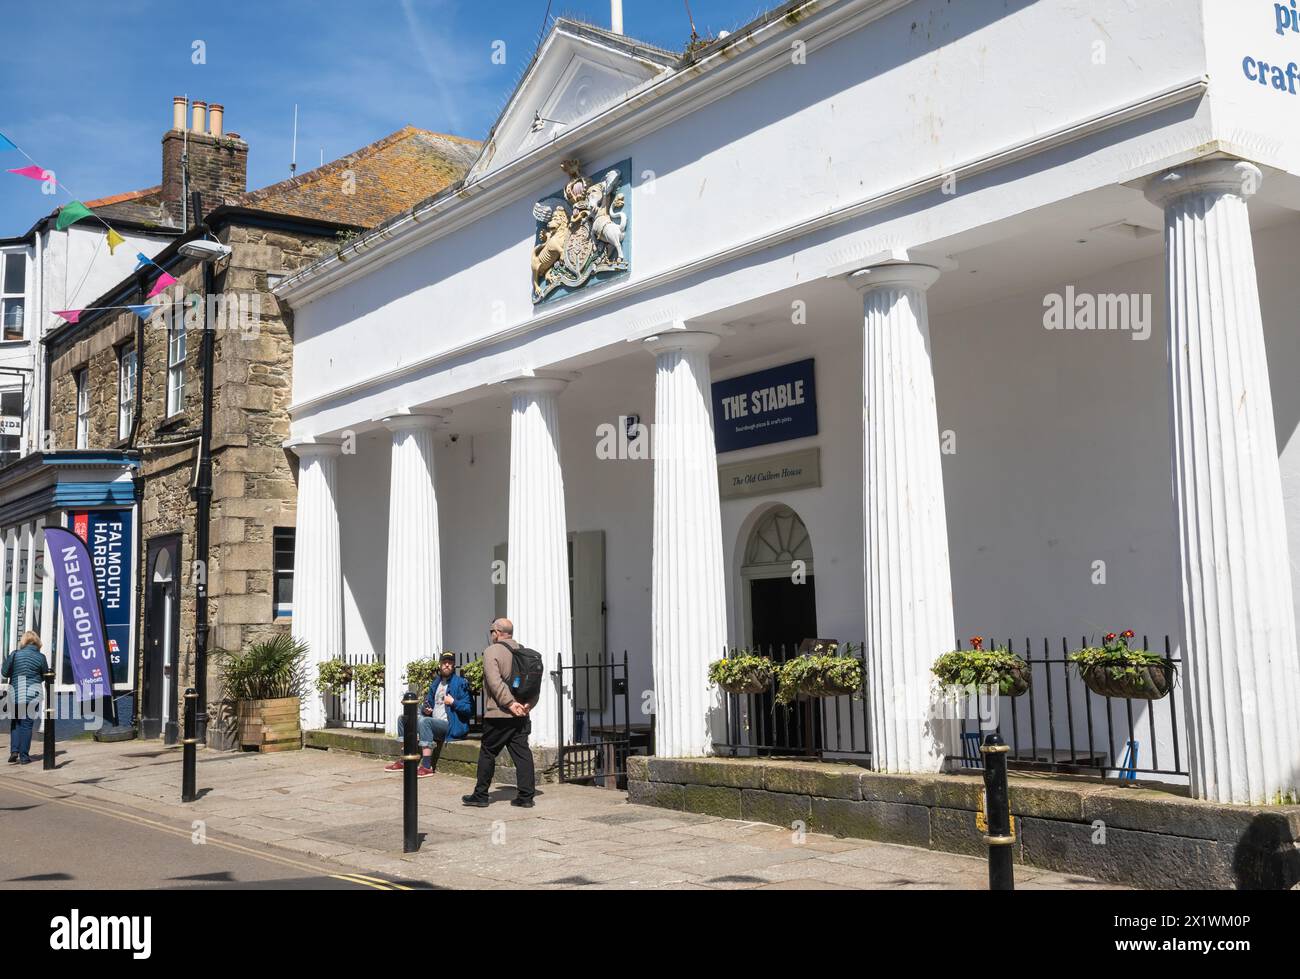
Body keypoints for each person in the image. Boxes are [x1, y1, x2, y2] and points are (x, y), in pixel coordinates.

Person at [462, 618, 538, 808]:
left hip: (499, 714)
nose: (490, 635)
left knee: (488, 752)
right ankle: (526, 797)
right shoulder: (523, 651)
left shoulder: (492, 651)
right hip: (521, 714)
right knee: (522, 754)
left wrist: (510, 703)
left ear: (497, 632)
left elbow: (494, 682)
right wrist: (528, 704)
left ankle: (480, 795)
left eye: (491, 631)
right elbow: (534, 682)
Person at [386, 652, 472, 777]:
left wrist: (453, 702)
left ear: (454, 665)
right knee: (404, 719)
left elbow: (469, 710)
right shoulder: (436, 683)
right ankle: (406, 759)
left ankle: (426, 766)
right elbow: (428, 704)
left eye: (450, 662)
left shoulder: (461, 683)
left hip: (450, 726)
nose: (447, 665)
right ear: (440, 664)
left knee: (425, 722)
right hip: (434, 724)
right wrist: (426, 710)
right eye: (444, 662)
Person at [3, 631, 46, 765]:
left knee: (15, 723)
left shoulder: (15, 654)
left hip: (15, 694)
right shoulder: (41, 657)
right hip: (33, 695)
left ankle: (14, 751)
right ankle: (24, 756)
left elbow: (4, 672)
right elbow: (45, 675)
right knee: (27, 725)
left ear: (23, 642)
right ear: (37, 642)